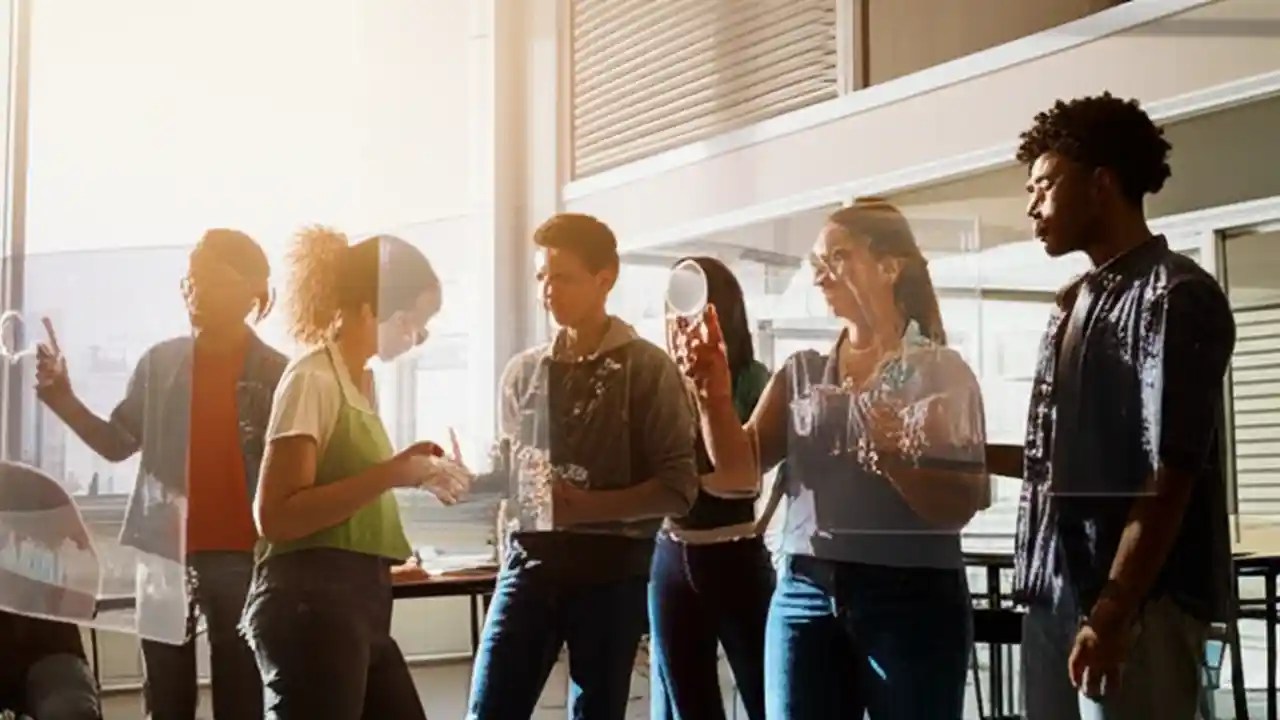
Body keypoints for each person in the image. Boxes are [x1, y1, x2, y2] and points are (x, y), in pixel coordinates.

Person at [675, 199, 990, 718]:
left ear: (890, 267)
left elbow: (960, 504)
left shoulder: (940, 372)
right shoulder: (801, 371)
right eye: (817, 261)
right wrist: (711, 390)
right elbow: (737, 476)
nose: (821, 273)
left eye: (838, 257)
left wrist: (892, 456)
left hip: (911, 596)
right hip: (804, 590)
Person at [1012, 93, 1236, 720]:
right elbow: (1058, 460)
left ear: (1101, 184)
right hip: (1054, 589)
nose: (1032, 206)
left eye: (1045, 185)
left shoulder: (1178, 294)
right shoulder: (1071, 303)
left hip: (1139, 600)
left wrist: (1114, 608)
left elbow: (1170, 470)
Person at [35, 229, 285, 720]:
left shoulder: (278, 372)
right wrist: (61, 396)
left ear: (248, 290)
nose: (194, 292)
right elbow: (116, 443)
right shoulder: (160, 363)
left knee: (241, 695)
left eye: (209, 279)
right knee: (166, 698)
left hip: (244, 553)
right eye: (189, 281)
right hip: (163, 553)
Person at [466, 213, 699, 720]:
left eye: (563, 277)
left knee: (596, 710)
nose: (548, 291)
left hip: (612, 567)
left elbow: (679, 487)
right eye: (542, 277)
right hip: (530, 559)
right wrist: (463, 479)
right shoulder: (524, 373)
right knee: (489, 708)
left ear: (604, 279)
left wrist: (587, 507)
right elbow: (511, 474)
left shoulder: (646, 369)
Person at [242, 228, 464, 720]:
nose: (415, 337)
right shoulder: (312, 379)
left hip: (358, 602)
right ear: (368, 308)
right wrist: (391, 473)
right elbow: (276, 516)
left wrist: (407, 472)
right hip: (310, 608)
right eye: (411, 322)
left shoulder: (359, 382)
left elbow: (346, 497)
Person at [649, 256, 772, 720]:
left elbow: (742, 478)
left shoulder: (753, 379)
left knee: (767, 694)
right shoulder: (659, 379)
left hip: (735, 551)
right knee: (687, 703)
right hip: (671, 553)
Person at [0, 461, 102, 720]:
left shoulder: (40, 491)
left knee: (70, 708)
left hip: (49, 649)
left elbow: (88, 573)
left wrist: (67, 596)